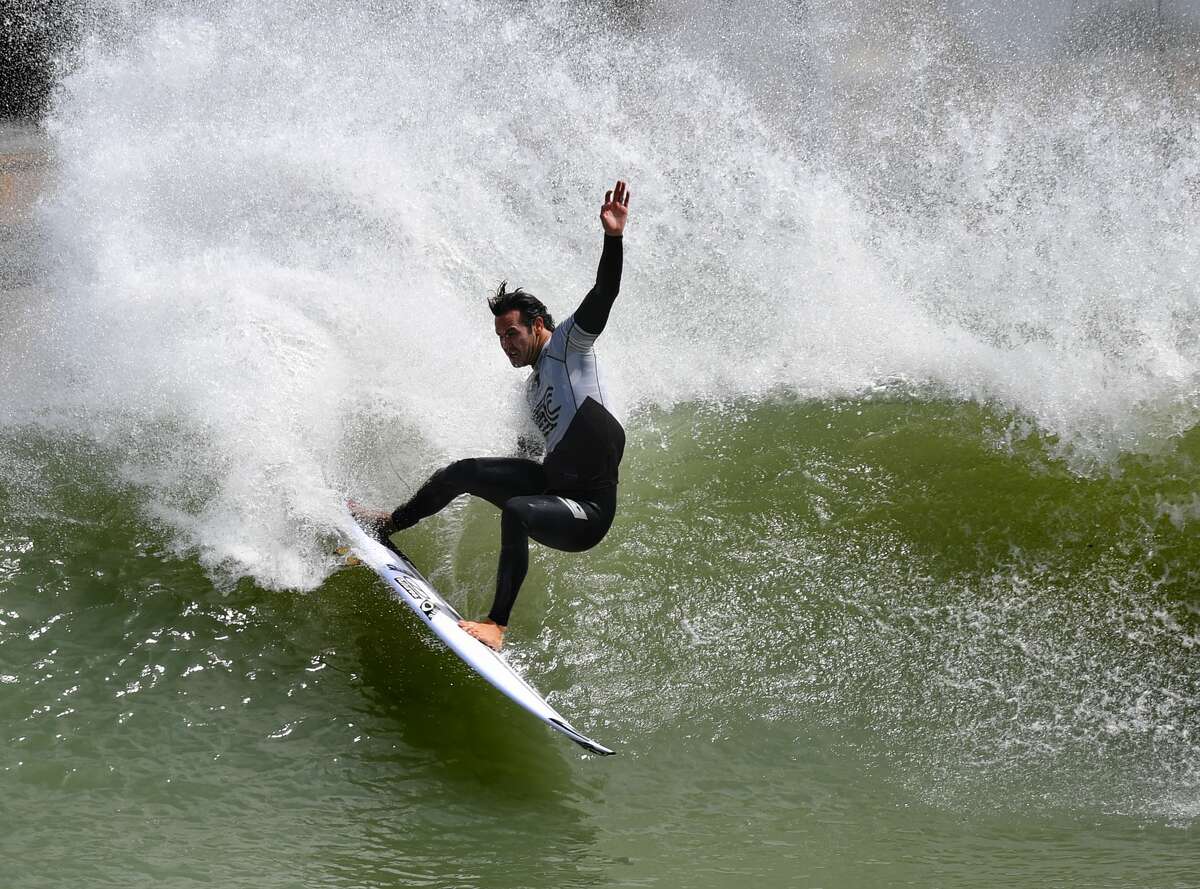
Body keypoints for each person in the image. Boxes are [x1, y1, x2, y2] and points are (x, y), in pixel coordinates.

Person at [353, 180, 631, 651]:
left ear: (538, 326)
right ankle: (389, 523)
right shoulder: (531, 389)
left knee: (519, 513)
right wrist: (492, 480)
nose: (506, 345)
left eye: (512, 334)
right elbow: (524, 459)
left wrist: (613, 237)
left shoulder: (569, 346)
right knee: (464, 471)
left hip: (588, 510)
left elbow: (605, 290)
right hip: (554, 484)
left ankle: (496, 626)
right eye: (500, 337)